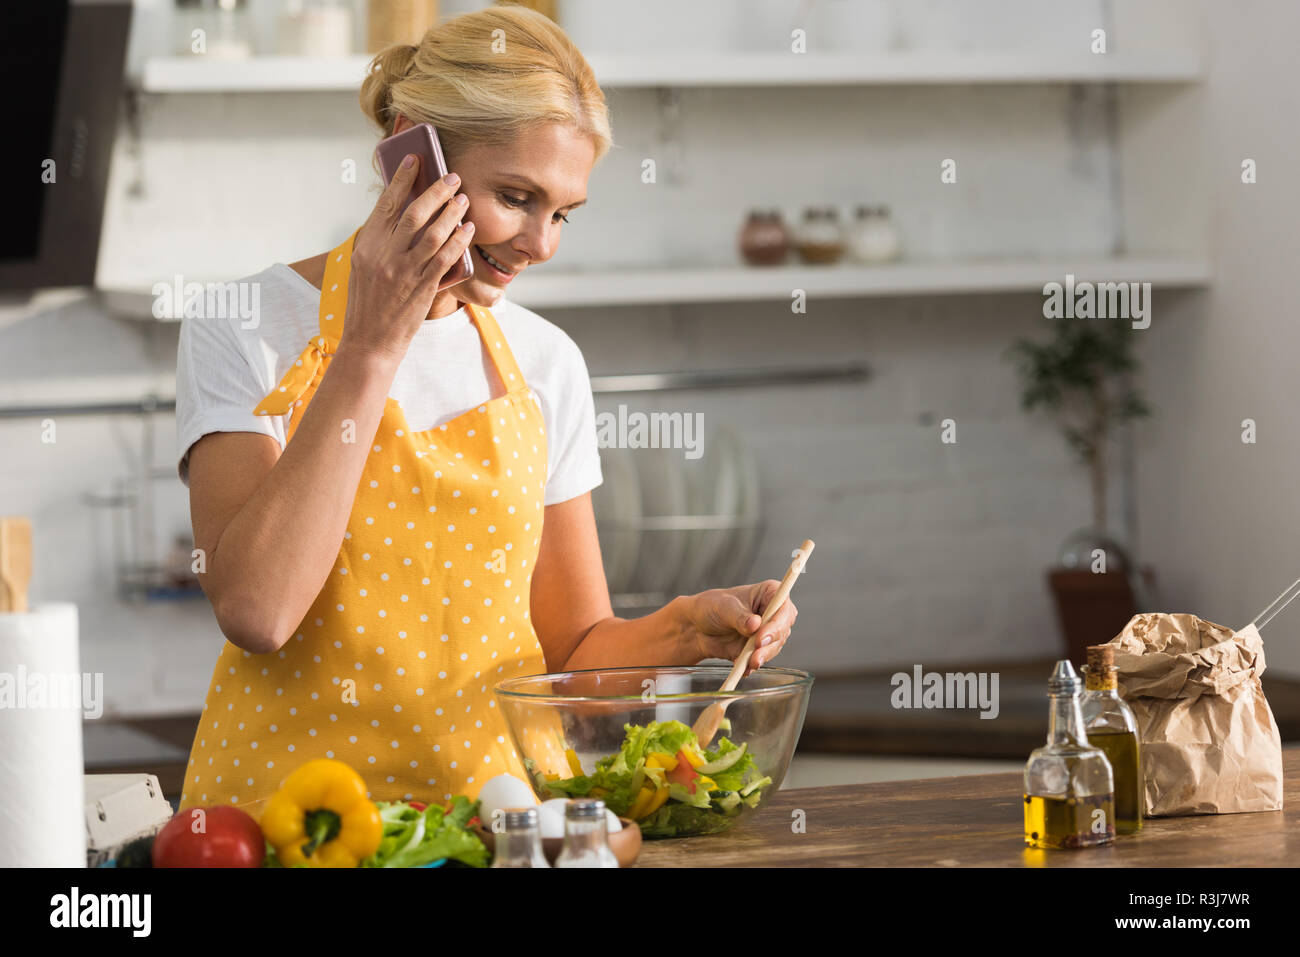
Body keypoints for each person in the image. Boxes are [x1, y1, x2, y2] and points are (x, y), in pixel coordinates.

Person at [176, 6, 797, 810]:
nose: (541, 243)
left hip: (503, 824)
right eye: (516, 196)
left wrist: (686, 633)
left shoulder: (545, 364)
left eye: (563, 212)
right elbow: (258, 608)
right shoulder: (246, 325)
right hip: (294, 826)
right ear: (412, 149)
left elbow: (570, 648)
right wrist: (371, 345)